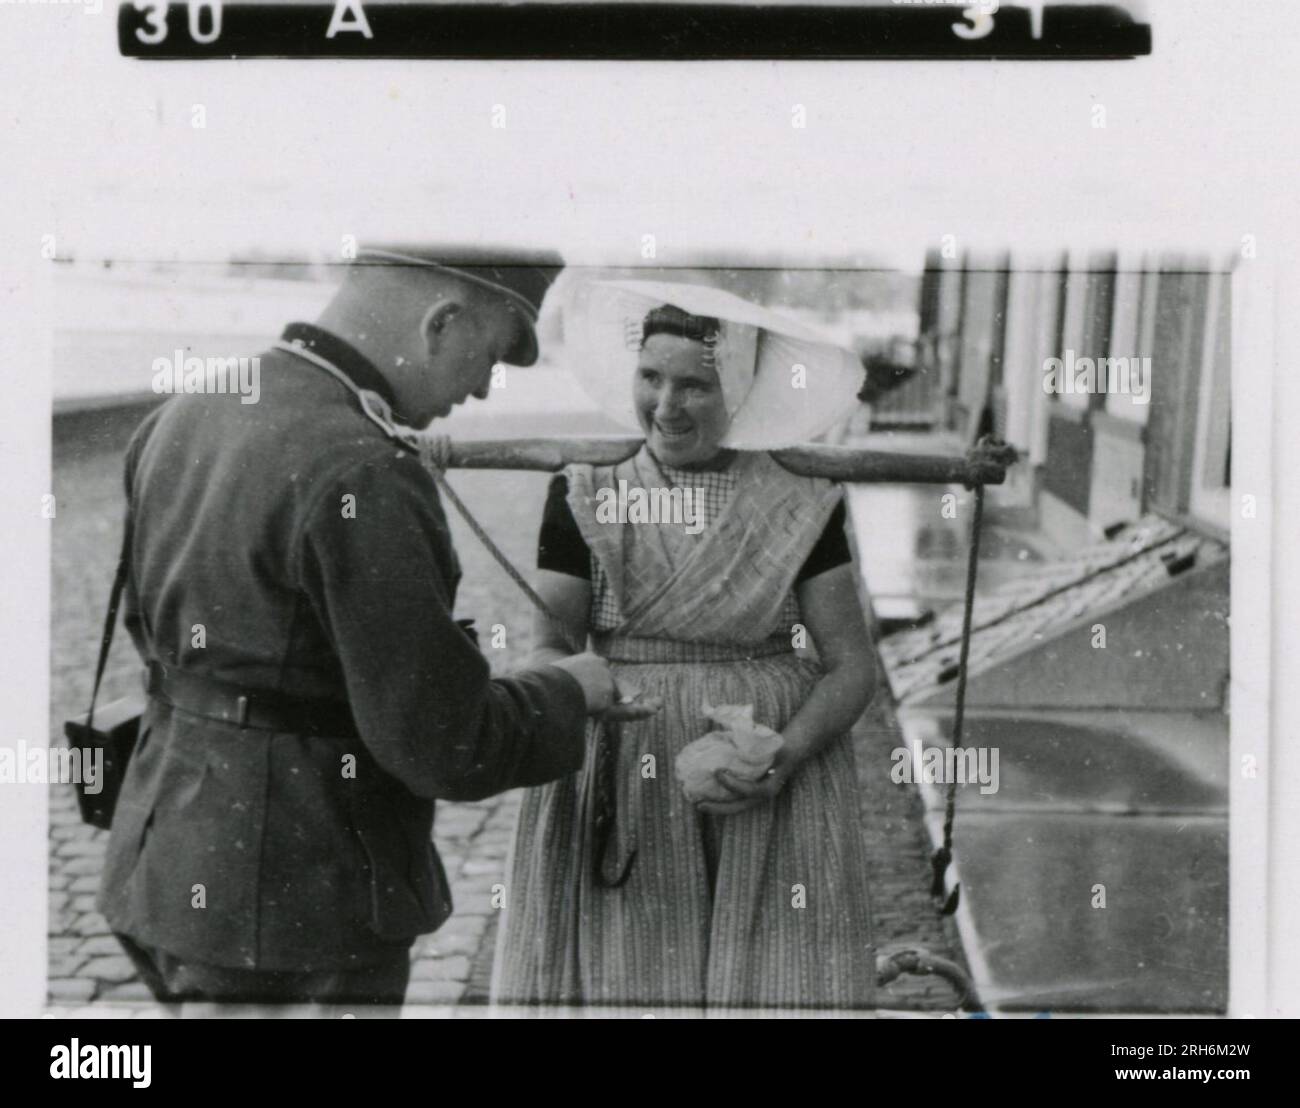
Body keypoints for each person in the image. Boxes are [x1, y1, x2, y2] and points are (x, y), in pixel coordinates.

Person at [97, 245, 618, 1006]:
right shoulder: (365, 469)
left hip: (161, 864)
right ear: (442, 322)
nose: (479, 390)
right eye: (492, 358)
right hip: (303, 901)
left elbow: (152, 635)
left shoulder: (186, 410)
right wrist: (568, 692)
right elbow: (444, 744)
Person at [492, 286, 878, 1010]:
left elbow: (851, 666)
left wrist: (784, 753)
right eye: (651, 378)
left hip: (765, 783)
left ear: (741, 388)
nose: (667, 405)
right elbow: (547, 643)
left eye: (696, 384)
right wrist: (584, 696)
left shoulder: (799, 499)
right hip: (616, 770)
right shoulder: (588, 491)